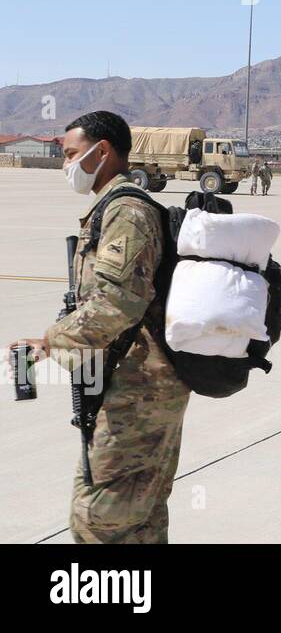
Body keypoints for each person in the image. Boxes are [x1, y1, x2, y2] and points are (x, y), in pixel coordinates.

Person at [9, 111, 190, 543]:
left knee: (100, 520)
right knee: (139, 520)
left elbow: (117, 302)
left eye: (71, 154)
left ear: (102, 151)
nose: (66, 165)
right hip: (139, 387)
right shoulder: (111, 209)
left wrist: (52, 342)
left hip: (138, 392)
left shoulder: (125, 212)